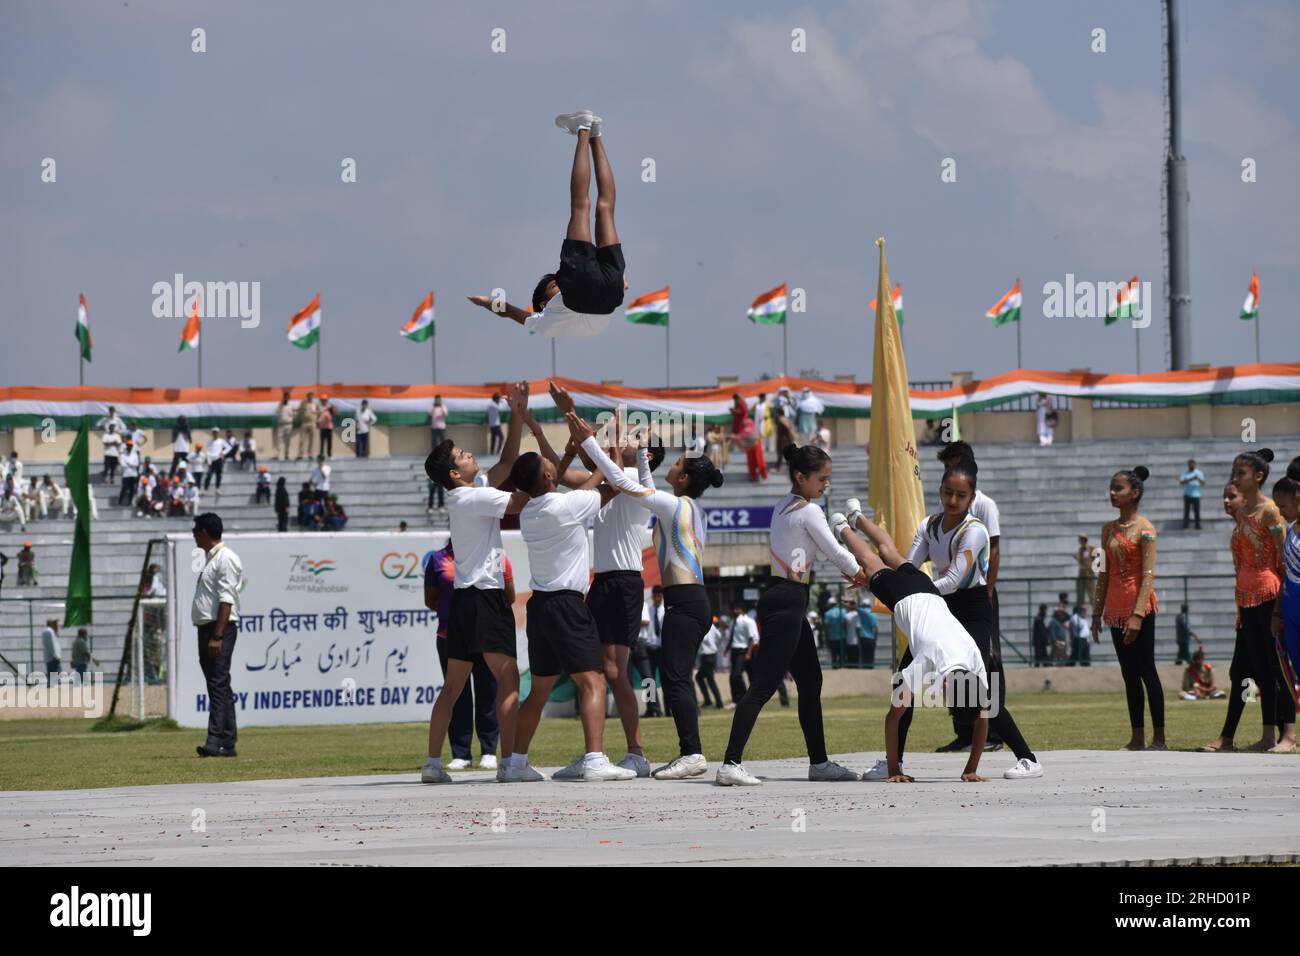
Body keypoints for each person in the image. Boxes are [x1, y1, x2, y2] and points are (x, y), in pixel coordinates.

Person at [567, 402, 725, 780]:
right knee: (672, 676)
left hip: (685, 598)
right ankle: (688, 752)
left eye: (678, 465)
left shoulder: (674, 503)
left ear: (684, 478)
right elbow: (628, 479)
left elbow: (626, 482)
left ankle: (691, 753)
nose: (673, 465)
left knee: (674, 677)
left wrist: (604, 441)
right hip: (682, 598)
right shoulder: (677, 502)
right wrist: (617, 440)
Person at [717, 444, 866, 786]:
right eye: (821, 479)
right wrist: (865, 574)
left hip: (787, 598)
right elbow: (834, 551)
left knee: (810, 681)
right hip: (787, 600)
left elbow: (812, 550)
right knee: (765, 685)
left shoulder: (784, 504)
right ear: (801, 477)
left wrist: (851, 570)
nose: (826, 485)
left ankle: (819, 763)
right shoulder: (809, 511)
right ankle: (730, 763)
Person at [528, 405, 664, 778]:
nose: (620, 438)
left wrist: (601, 438)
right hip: (602, 582)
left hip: (624, 581)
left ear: (645, 455)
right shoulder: (604, 477)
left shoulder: (634, 480)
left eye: (631, 438)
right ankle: (595, 753)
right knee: (592, 668)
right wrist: (541, 433)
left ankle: (635, 752)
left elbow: (614, 470)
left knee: (613, 671)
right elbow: (555, 470)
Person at [885, 460, 1040, 772]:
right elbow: (909, 568)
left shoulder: (976, 531)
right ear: (940, 490)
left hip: (970, 611)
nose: (952, 500)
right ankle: (893, 762)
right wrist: (893, 581)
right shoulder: (928, 525)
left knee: (977, 689)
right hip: (937, 608)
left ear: (972, 497)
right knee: (905, 681)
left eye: (960, 495)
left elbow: (954, 580)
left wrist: (914, 591)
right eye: (947, 492)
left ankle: (1027, 758)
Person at [829, 512, 1004, 783]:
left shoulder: (974, 664)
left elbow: (982, 717)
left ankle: (857, 517)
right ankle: (841, 527)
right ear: (947, 689)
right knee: (871, 560)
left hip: (928, 590)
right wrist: (894, 771)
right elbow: (892, 717)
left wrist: (971, 769)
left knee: (892, 553)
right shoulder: (929, 662)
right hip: (902, 597)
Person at [507, 441, 640, 782]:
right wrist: (603, 452)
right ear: (549, 475)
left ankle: (515, 764)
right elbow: (612, 484)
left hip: (539, 607)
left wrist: (569, 454)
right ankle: (594, 759)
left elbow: (576, 489)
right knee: (593, 682)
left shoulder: (530, 512)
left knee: (538, 692)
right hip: (567, 605)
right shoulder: (568, 506)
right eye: (547, 464)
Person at [421, 382, 533, 784]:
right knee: (508, 679)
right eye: (463, 455)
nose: (471, 455)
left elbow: (503, 466)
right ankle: (511, 764)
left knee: (452, 688)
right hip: (486, 598)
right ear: (455, 473)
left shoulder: (463, 496)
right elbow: (521, 497)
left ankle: (433, 764)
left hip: (465, 603)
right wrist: (547, 476)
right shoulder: (472, 499)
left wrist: (516, 416)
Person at [466, 110, 625, 340]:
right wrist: (486, 303)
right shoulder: (541, 320)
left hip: (610, 294)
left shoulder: (545, 326)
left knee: (605, 210)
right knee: (582, 206)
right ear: (543, 303)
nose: (559, 284)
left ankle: (596, 134)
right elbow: (508, 311)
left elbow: (505, 313)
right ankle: (583, 130)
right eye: (555, 285)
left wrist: (484, 303)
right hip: (592, 293)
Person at [1201, 450, 1296, 753]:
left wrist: (1279, 607)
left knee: (1271, 667)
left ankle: (1285, 735)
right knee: (1248, 669)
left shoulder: (1270, 511)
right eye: (1233, 473)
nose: (1235, 479)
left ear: (1258, 477)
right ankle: (1265, 735)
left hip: (1268, 594)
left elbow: (1284, 562)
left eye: (1240, 473)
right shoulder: (1243, 514)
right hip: (1246, 599)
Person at [1092, 466, 1165, 751]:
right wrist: (1097, 611)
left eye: (1118, 488)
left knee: (1147, 669)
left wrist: (1137, 614)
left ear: (1134, 493)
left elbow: (1148, 574)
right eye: (1111, 487)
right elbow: (1103, 573)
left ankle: (1159, 737)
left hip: (1139, 606)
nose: (1112, 493)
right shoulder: (1107, 530)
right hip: (1114, 607)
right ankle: (1137, 737)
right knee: (1128, 673)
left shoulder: (1145, 529)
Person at [423, 539, 503, 771]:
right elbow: (430, 599)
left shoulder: (490, 554)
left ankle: (489, 751)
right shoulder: (438, 559)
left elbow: (505, 594)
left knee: (488, 690)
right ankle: (461, 753)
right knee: (456, 694)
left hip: (484, 632)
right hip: (449, 634)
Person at [191, 512, 242, 758]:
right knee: (219, 685)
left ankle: (216, 741)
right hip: (208, 628)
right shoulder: (212, 559)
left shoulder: (226, 558)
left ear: (204, 532)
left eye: (195, 531)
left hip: (218, 629)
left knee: (218, 684)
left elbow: (226, 599)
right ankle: (227, 741)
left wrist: (218, 636)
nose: (193, 535)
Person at [1273, 460, 1300, 714]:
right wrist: (1278, 613)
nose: (1280, 513)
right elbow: (1284, 575)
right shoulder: (1290, 530)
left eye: (1283, 506)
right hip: (1291, 608)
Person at [728, 393, 767, 483]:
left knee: (758, 461)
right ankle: (754, 476)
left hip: (754, 445)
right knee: (752, 462)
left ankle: (761, 475)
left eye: (736, 398)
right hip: (750, 445)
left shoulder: (747, 422)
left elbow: (743, 413)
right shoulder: (746, 424)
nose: (736, 400)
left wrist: (735, 411)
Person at [726, 603, 757, 703]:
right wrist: (727, 649)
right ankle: (735, 700)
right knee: (732, 676)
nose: (733, 611)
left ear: (741, 609)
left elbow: (751, 638)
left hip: (743, 650)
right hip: (734, 650)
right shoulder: (733, 621)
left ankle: (745, 698)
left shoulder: (748, 621)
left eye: (736, 609)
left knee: (737, 675)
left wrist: (748, 653)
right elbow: (732, 637)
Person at [643, 588, 666, 718]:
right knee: (648, 680)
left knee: (665, 680)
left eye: (659, 596)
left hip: (662, 649)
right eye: (655, 596)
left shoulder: (665, 610)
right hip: (649, 647)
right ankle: (652, 708)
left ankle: (668, 709)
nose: (657, 598)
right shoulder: (649, 610)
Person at [696, 619, 724, 709]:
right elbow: (719, 637)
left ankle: (716, 702)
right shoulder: (712, 626)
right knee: (703, 678)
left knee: (708, 679)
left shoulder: (704, 627)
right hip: (712, 654)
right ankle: (711, 701)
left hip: (707, 655)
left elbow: (705, 639)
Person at [1179, 458, 1206, 530]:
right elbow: (1181, 482)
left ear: (1195, 465)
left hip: (1196, 495)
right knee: (1186, 511)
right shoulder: (1185, 473)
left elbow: (1203, 483)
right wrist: (1191, 479)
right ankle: (1185, 525)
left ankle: (1197, 524)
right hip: (1187, 494)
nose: (1192, 465)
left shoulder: (1199, 473)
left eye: (1193, 464)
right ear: (1188, 465)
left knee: (1196, 511)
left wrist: (1198, 479)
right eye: (1190, 464)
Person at [822, 596, 847, 669]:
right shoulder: (843, 611)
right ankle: (842, 667)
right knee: (842, 654)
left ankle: (835, 667)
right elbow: (845, 623)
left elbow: (826, 627)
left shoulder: (827, 613)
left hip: (832, 637)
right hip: (842, 636)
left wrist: (826, 637)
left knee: (834, 654)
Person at [294, 392, 319, 460]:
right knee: (302, 440)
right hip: (304, 423)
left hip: (312, 423)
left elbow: (318, 412)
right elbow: (299, 411)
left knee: (312, 440)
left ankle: (310, 454)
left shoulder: (315, 404)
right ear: (307, 397)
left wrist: (318, 420)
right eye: (309, 396)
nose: (310, 397)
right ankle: (300, 454)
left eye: (311, 396)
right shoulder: (303, 403)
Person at [855, 595, 878, 668]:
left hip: (863, 637)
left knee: (864, 655)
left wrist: (858, 596)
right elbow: (876, 629)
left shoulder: (861, 612)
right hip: (871, 637)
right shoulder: (874, 614)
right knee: (870, 655)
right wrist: (875, 639)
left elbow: (857, 607)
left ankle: (865, 668)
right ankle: (870, 667)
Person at [203, 428, 228, 494]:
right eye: (214, 432)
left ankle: (217, 488)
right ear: (212, 433)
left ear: (218, 433)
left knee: (218, 475)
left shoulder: (221, 441)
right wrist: (209, 461)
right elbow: (208, 452)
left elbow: (228, 447)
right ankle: (205, 489)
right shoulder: (209, 442)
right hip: (212, 461)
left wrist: (223, 452)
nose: (215, 433)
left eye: (216, 432)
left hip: (219, 460)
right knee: (209, 475)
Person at [117, 438, 141, 506]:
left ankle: (129, 502)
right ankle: (120, 501)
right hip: (126, 474)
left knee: (132, 489)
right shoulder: (123, 455)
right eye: (128, 445)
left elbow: (136, 464)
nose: (129, 447)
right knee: (124, 488)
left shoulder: (135, 455)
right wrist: (131, 464)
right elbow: (123, 464)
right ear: (127, 446)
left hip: (133, 474)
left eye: (131, 445)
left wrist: (129, 464)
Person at [1075, 534, 1096, 608]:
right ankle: (1079, 612)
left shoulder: (1089, 549)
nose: (1079, 541)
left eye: (1080, 539)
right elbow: (1083, 561)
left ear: (1084, 540)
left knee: (1092, 595)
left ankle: (1095, 614)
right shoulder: (1081, 549)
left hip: (1088, 575)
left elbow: (1087, 561)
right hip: (1082, 575)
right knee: (1080, 596)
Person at [275, 393, 295, 460]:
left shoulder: (291, 405)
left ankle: (287, 455)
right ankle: (277, 455)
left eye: (287, 397)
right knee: (279, 440)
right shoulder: (280, 405)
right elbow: (277, 412)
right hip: (281, 425)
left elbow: (293, 415)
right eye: (284, 397)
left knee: (288, 441)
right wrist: (281, 405)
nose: (285, 398)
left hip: (288, 425)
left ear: (288, 398)